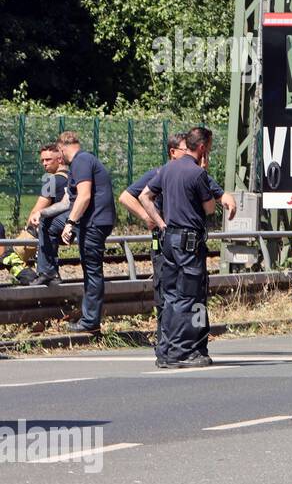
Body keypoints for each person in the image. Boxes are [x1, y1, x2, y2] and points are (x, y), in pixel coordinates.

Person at [121, 132, 235, 362]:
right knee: (190, 296)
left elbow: (144, 196)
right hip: (188, 242)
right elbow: (210, 208)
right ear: (202, 148)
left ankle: (167, 350)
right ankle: (186, 351)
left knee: (171, 297)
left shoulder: (165, 170)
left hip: (169, 239)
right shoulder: (196, 173)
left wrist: (159, 222)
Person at [57, 131, 116, 334]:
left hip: (93, 223)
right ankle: (90, 318)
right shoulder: (87, 159)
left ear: (61, 148)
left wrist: (70, 223)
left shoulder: (80, 161)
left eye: (59, 153)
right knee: (92, 270)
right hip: (96, 221)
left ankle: (90, 321)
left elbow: (83, 196)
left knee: (92, 271)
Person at [28, 143, 70, 285]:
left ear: (59, 160)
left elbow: (38, 209)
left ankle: (43, 275)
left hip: (54, 229)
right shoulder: (73, 176)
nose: (44, 164)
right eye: (42, 161)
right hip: (71, 226)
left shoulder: (49, 179)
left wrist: (26, 231)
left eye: (48, 160)